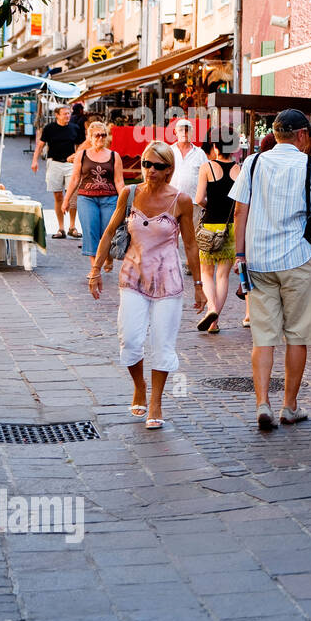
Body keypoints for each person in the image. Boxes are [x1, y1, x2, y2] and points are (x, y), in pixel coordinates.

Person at [87, 142, 205, 429]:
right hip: (132, 276)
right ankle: (139, 386)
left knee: (163, 343)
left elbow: (190, 244)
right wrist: (95, 270)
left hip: (168, 280)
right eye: (147, 164)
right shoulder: (129, 194)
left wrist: (199, 285)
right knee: (129, 340)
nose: (151, 170)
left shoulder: (182, 201)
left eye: (159, 166)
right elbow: (110, 231)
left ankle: (156, 402)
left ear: (169, 170)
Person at [231, 109, 311, 431]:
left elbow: (239, 212)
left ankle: (263, 403)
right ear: (302, 135)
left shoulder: (253, 163)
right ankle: (289, 406)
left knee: (263, 338)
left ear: (276, 134)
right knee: (297, 336)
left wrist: (240, 254)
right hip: (297, 259)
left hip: (258, 260)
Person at [194, 127, 242, 334]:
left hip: (209, 227)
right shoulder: (239, 169)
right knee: (223, 276)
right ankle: (214, 321)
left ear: (214, 146)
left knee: (206, 272)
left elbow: (198, 199)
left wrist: (208, 206)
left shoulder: (207, 167)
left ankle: (211, 308)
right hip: (230, 228)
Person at [64, 121, 124, 259]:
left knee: (107, 232)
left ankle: (107, 257)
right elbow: (74, 179)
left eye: (103, 135)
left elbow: (119, 182)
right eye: (97, 135)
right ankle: (95, 269)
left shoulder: (114, 156)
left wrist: (125, 202)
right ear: (90, 137)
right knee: (90, 231)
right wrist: (66, 200)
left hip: (110, 199)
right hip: (86, 198)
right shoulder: (82, 155)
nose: (100, 138)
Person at [31, 104, 85, 238]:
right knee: (58, 197)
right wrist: (34, 160)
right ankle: (61, 228)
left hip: (70, 165)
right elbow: (41, 144)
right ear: (57, 115)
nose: (68, 116)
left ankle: (72, 226)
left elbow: (80, 146)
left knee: (72, 197)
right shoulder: (50, 128)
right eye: (65, 113)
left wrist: (78, 158)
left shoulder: (75, 128)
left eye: (69, 113)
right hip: (54, 163)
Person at [170, 118, 207, 200]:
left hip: (193, 202)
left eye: (187, 130)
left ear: (191, 132)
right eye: (181, 130)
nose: (184, 133)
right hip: (171, 202)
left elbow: (207, 177)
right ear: (175, 132)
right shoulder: (169, 151)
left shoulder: (200, 154)